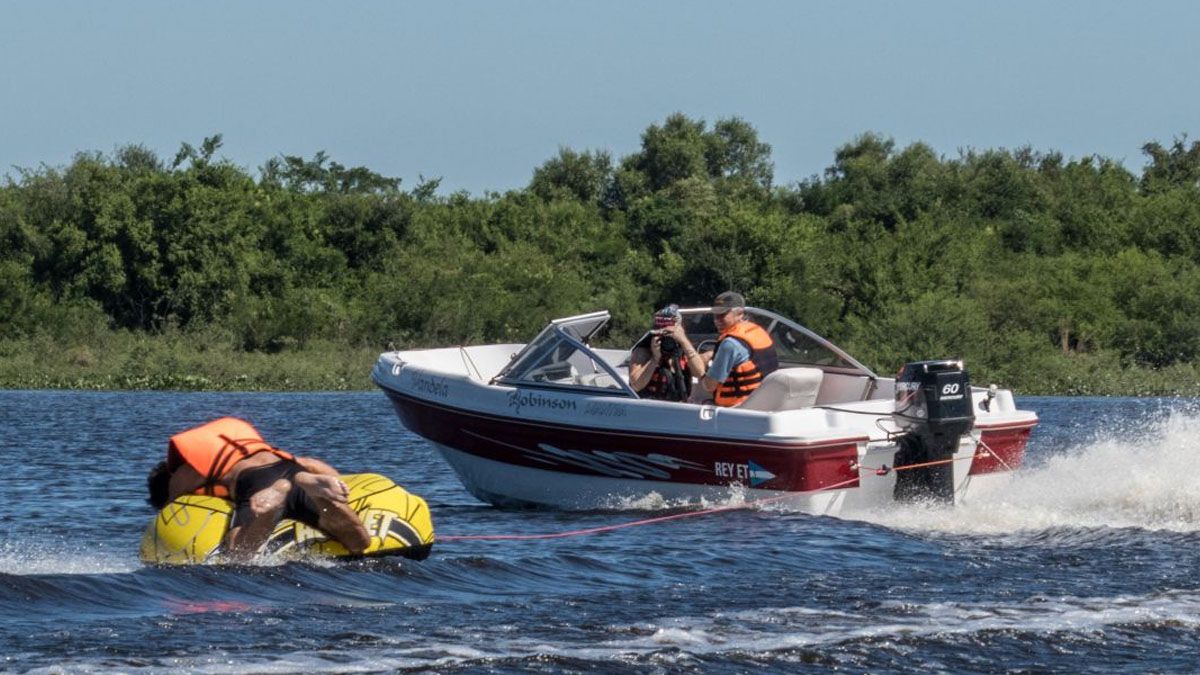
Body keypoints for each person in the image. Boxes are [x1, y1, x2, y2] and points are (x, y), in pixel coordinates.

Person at [145, 417, 370, 558]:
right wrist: (341, 485)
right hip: (291, 470)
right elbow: (310, 463)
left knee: (237, 555)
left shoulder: (183, 471)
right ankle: (315, 492)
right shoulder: (245, 443)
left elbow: (173, 508)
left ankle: (271, 512)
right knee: (359, 542)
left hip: (256, 483)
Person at [698, 291, 779, 407]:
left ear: (740, 313)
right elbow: (746, 355)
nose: (717, 320)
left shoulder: (730, 344)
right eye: (715, 315)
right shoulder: (758, 331)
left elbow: (709, 386)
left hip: (738, 408)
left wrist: (699, 368)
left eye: (723, 314)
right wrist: (712, 354)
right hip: (763, 402)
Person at [628, 304, 706, 402]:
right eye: (661, 332)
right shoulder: (644, 350)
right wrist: (655, 358)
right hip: (650, 406)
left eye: (669, 333)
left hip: (677, 405)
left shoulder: (683, 348)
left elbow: (700, 373)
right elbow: (636, 385)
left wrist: (684, 341)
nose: (666, 338)